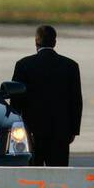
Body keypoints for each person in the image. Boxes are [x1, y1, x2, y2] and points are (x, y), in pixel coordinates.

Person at [9, 25, 83, 166]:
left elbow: (16, 100)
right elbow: (76, 101)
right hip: (61, 132)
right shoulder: (70, 66)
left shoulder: (23, 65)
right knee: (58, 175)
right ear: (54, 42)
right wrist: (73, 130)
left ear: (36, 42)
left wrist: (17, 127)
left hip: (32, 132)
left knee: (33, 175)